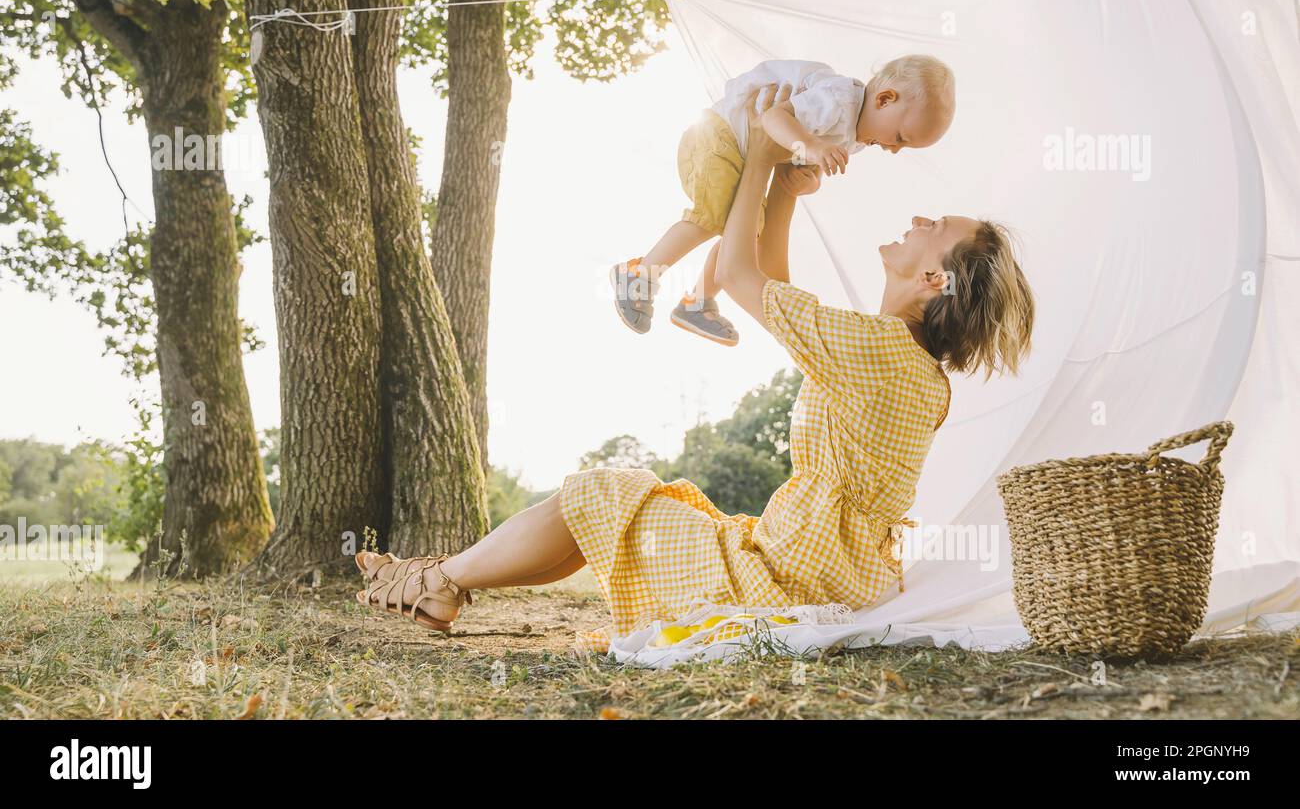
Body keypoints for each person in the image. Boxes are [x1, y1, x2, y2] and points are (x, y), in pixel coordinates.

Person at [354, 84, 1033, 654]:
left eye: (937, 223)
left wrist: (763, 160)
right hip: (832, 578)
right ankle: (443, 583)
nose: (919, 217)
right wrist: (785, 198)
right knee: (619, 511)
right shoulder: (907, 367)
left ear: (933, 277)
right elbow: (780, 292)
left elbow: (741, 275)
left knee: (600, 491)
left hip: (783, 582)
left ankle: (435, 582)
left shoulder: (876, 350)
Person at [610, 54, 957, 346]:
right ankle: (638, 273)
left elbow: (802, 159)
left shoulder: (857, 136)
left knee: (747, 235)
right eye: (900, 137)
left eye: (904, 147)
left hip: (742, 157)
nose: (894, 149)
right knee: (713, 216)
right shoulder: (839, 100)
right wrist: (814, 147)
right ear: (885, 99)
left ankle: (697, 301)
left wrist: (809, 181)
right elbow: (775, 118)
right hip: (718, 137)